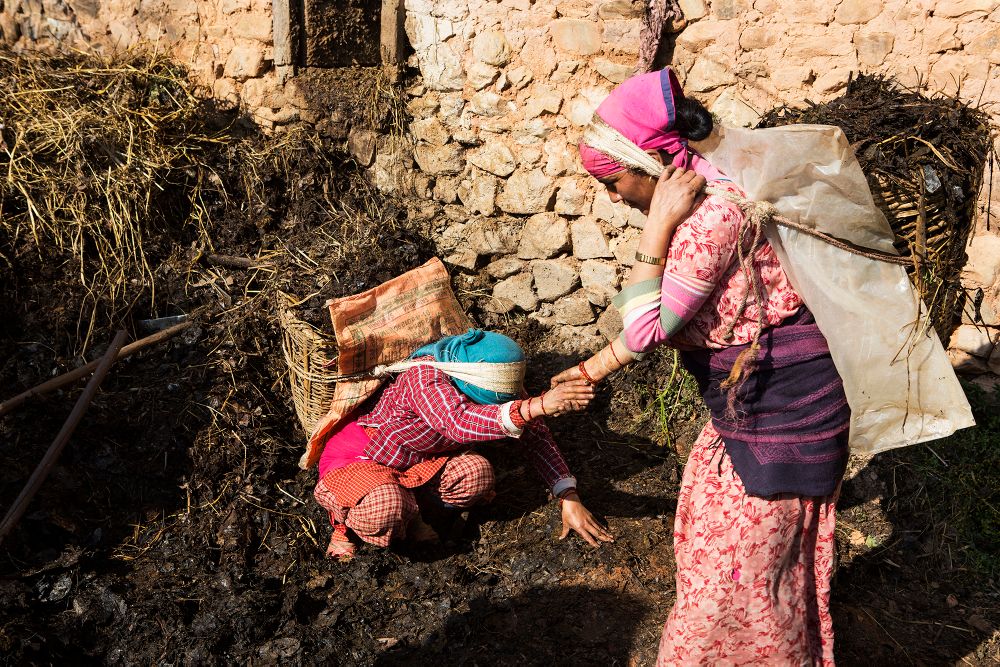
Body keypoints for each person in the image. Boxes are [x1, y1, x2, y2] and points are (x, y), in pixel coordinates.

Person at [552, 68, 849, 665]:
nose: (611, 196)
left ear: (656, 163)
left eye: (614, 181)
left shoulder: (709, 219)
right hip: (753, 402)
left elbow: (645, 326)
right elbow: (666, 329)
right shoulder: (718, 191)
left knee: (738, 580)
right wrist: (592, 368)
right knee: (730, 559)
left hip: (778, 411)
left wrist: (656, 226)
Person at [314, 329, 613, 560]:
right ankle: (346, 526)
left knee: (477, 473)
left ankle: (417, 517)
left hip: (421, 461)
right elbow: (456, 422)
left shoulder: (497, 379)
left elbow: (536, 438)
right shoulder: (423, 375)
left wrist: (568, 494)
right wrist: (538, 405)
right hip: (364, 457)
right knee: (385, 506)